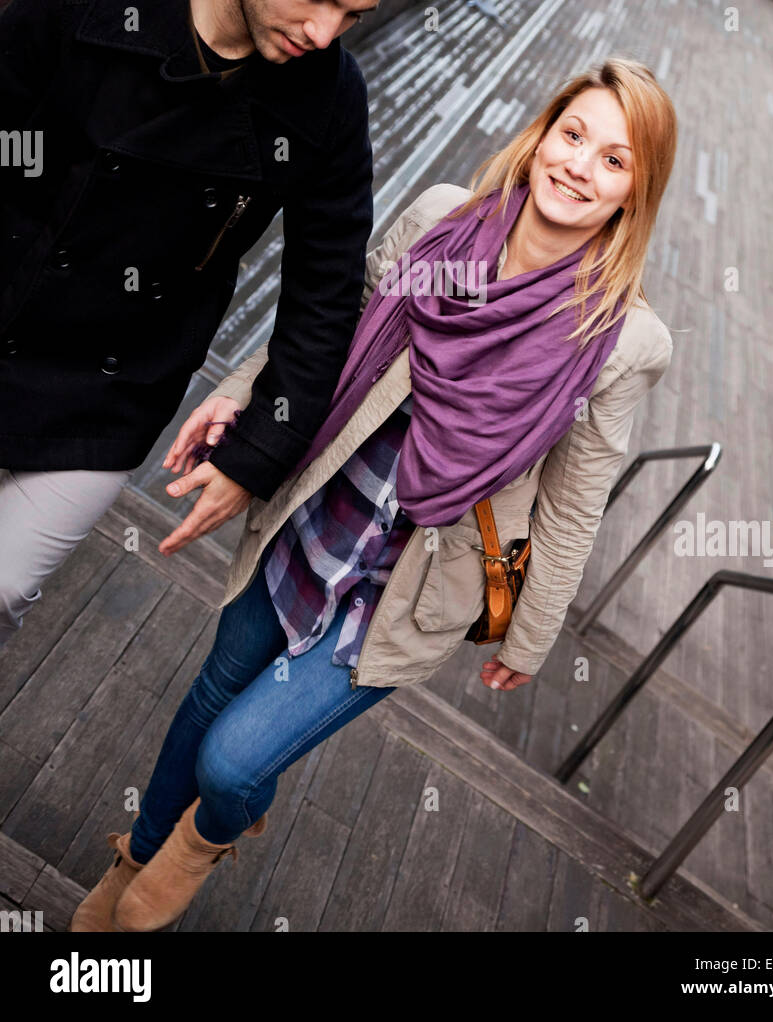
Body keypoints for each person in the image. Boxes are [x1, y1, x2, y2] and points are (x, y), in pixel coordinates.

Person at [69, 55, 678, 933]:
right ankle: (135, 853)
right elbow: (330, 330)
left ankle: (203, 838)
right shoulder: (440, 222)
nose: (579, 166)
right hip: (315, 518)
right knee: (210, 698)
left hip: (414, 584)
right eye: (572, 134)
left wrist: (532, 633)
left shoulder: (619, 339)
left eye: (614, 160)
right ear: (542, 132)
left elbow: (578, 500)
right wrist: (241, 395)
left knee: (236, 762)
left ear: (636, 191)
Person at [0, 0, 415, 648]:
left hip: (109, 390)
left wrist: (257, 449)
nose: (325, 32)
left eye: (352, 16)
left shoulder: (328, 105)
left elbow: (324, 292)